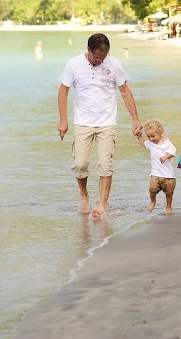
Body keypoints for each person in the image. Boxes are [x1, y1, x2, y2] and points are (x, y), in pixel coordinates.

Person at [58, 33, 143, 218]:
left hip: (107, 122)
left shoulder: (113, 64)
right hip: (82, 122)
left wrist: (135, 119)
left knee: (105, 165)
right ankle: (84, 195)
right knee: (80, 164)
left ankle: (103, 204)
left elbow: (125, 92)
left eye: (103, 58)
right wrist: (63, 119)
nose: (100, 61)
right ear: (88, 51)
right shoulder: (74, 64)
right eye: (97, 58)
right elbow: (63, 91)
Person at [136, 118, 176, 215]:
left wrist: (166, 156)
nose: (151, 139)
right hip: (155, 174)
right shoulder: (150, 143)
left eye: (153, 136)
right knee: (152, 189)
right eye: (149, 137)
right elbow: (142, 144)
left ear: (160, 132)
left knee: (169, 193)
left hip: (168, 175)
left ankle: (168, 207)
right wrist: (139, 137)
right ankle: (153, 202)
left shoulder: (167, 143)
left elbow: (173, 152)